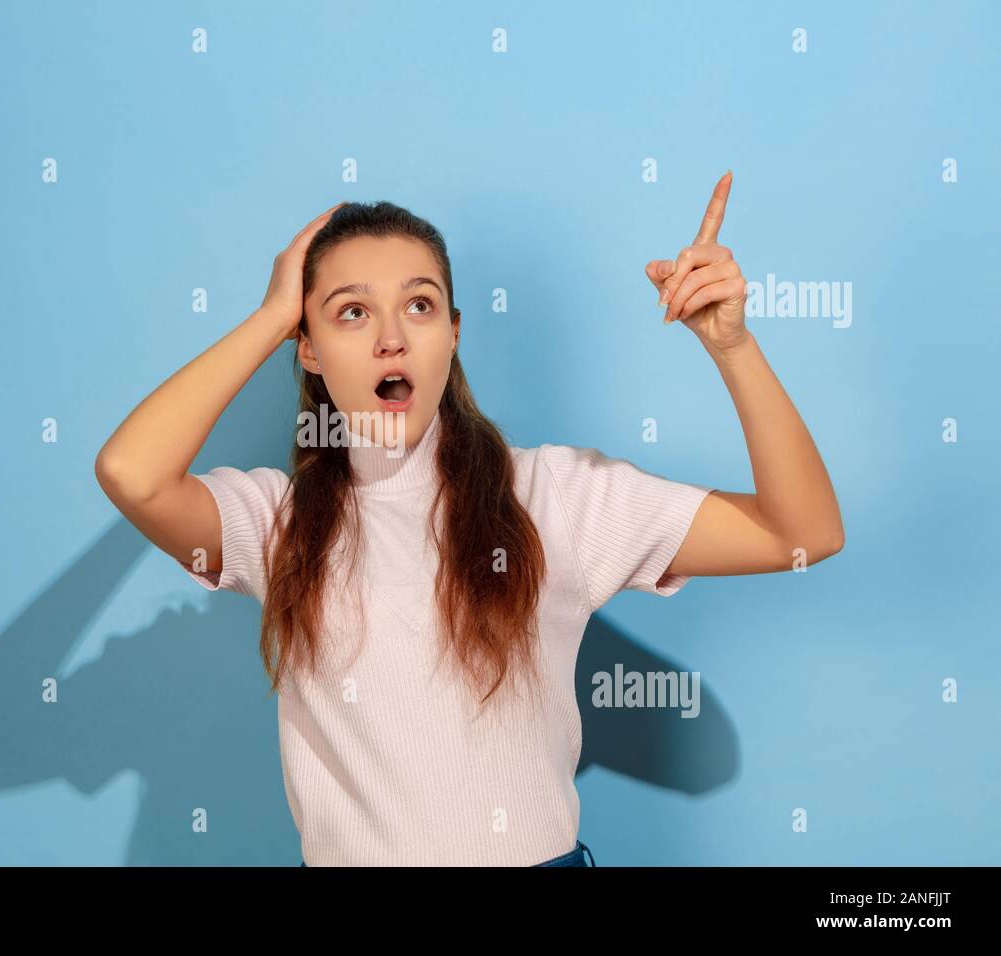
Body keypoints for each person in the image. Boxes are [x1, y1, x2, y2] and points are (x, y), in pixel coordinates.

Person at [95, 175, 844, 866]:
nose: (391, 337)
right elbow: (132, 472)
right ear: (310, 350)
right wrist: (267, 318)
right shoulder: (278, 525)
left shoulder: (558, 497)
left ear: (451, 333)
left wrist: (732, 347)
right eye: (351, 312)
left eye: (418, 305)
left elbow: (802, 535)